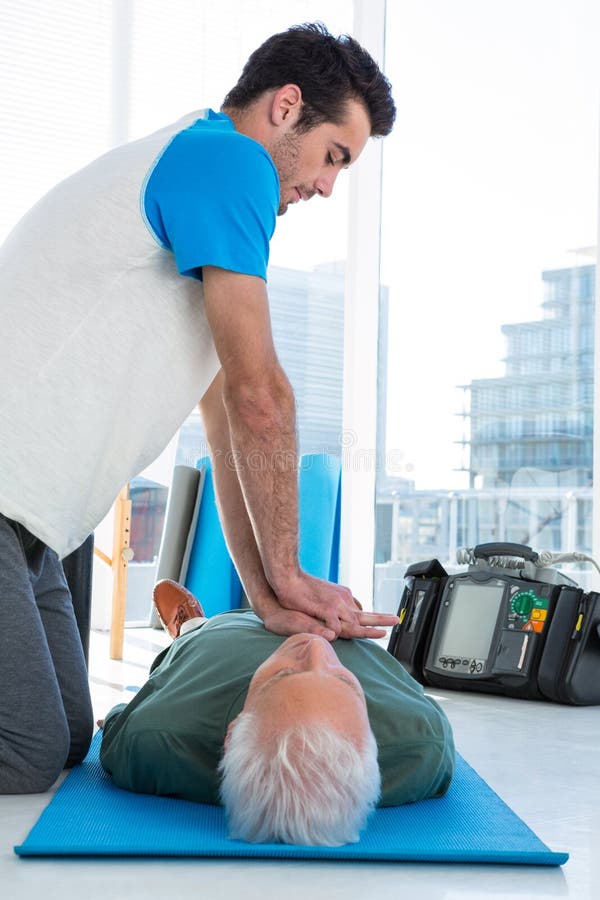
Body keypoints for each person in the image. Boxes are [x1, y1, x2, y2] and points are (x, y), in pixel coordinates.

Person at [0, 22, 396, 794]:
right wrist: (291, 572)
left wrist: (267, 593)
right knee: (26, 749)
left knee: (67, 739)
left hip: (34, 532)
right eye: (333, 157)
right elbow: (261, 398)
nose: (326, 186)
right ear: (286, 107)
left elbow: (225, 427)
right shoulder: (228, 161)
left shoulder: (206, 213)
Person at [99, 581, 455, 847]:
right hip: (347, 638)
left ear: (233, 731)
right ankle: (336, 616)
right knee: (334, 624)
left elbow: (119, 725)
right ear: (375, 745)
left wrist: (116, 717)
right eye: (344, 682)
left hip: (217, 644)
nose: (314, 648)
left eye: (283, 675)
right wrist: (337, 635)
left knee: (194, 641)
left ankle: (190, 626)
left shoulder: (156, 738)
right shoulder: (423, 744)